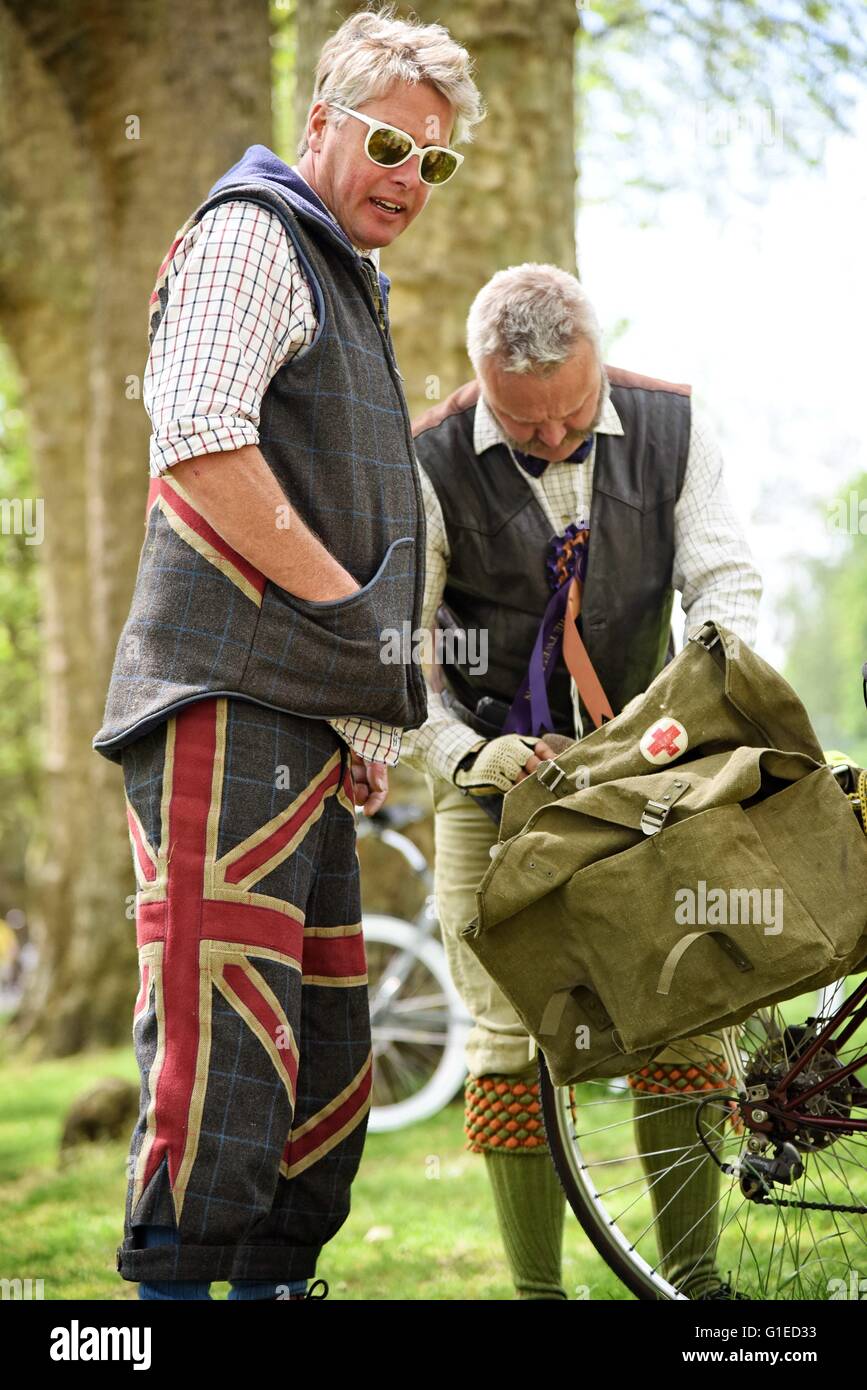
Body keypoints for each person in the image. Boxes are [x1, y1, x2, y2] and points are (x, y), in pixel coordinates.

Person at [92, 5, 484, 1301]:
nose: (407, 178)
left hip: (302, 724)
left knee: (320, 1060)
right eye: (387, 142)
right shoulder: (252, 234)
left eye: (432, 162)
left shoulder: (344, 274)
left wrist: (363, 718)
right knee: (223, 1062)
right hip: (220, 702)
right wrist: (361, 631)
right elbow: (200, 437)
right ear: (319, 119)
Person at [399, 262, 763, 1299]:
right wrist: (462, 753)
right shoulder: (425, 458)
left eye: (572, 416)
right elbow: (401, 648)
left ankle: (694, 1287)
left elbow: (725, 580)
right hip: (490, 784)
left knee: (687, 1007)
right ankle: (538, 1299)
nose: (554, 439)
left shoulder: (673, 425)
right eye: (527, 428)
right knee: (512, 1036)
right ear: (481, 384)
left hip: (649, 768)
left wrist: (691, 698)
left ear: (598, 360)